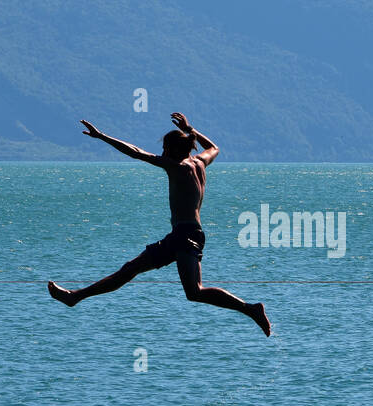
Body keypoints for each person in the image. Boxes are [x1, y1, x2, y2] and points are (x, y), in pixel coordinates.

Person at [48, 113, 272, 336]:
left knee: (189, 289)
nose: (162, 153)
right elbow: (214, 147)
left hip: (184, 236)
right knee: (140, 272)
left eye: (165, 148)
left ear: (173, 150)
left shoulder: (177, 166)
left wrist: (102, 136)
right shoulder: (199, 162)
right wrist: (191, 129)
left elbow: (136, 152)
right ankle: (74, 297)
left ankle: (250, 308)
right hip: (190, 234)